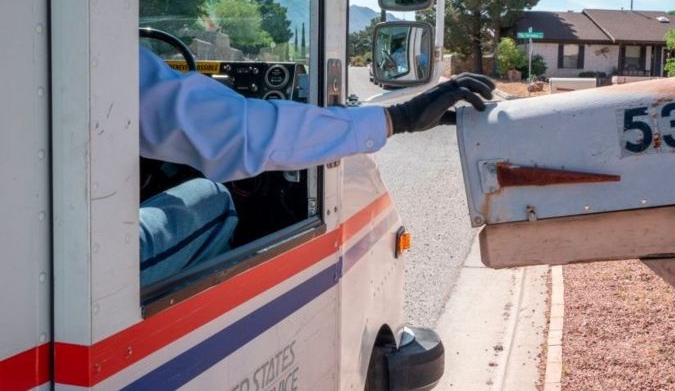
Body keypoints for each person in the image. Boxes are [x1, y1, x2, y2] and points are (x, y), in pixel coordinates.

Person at [138, 46, 495, 286]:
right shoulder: (108, 56)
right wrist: (398, 118)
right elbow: (237, 132)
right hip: (96, 273)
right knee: (212, 197)